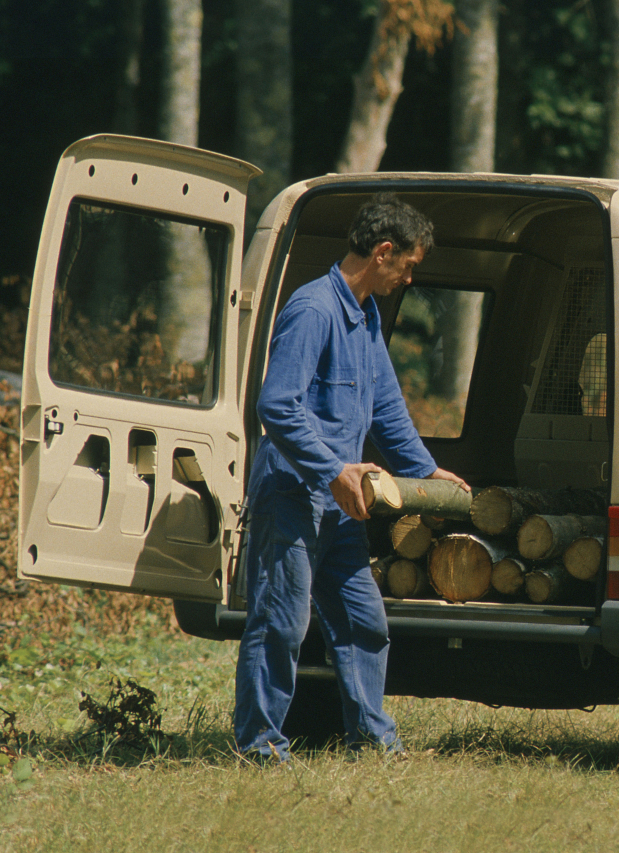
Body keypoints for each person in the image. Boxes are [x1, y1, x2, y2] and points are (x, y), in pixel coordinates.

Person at [234, 193, 468, 761]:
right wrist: (334, 469)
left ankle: (372, 740)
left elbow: (386, 407)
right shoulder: (313, 310)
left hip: (340, 506)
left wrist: (425, 472)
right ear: (383, 252)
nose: (409, 276)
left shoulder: (364, 318)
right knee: (281, 623)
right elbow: (277, 406)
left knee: (365, 621)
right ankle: (259, 746)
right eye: (409, 264)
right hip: (292, 493)